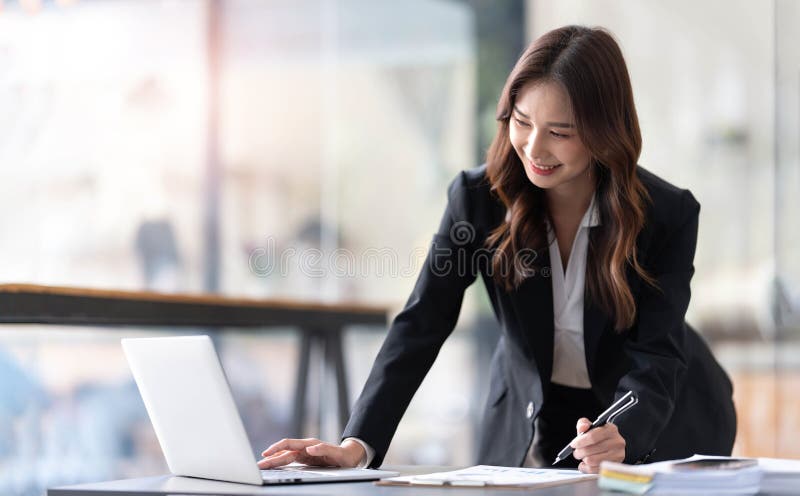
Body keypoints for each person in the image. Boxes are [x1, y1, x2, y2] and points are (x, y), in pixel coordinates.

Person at [258, 25, 736, 474]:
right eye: (522, 121)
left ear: (604, 132)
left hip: (657, 413)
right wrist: (357, 445)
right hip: (535, 412)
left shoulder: (666, 215)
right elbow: (422, 322)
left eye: (560, 132)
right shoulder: (477, 200)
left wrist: (625, 435)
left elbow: (658, 353)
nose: (534, 147)